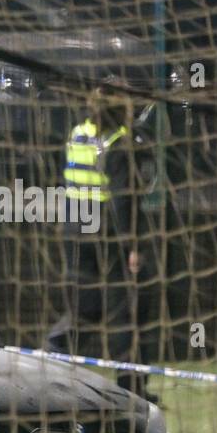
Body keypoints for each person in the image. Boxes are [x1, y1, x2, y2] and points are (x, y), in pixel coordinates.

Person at [47, 94, 161, 402]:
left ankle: (53, 354)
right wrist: (133, 246)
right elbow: (124, 201)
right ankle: (132, 387)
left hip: (75, 229)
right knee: (129, 309)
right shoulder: (120, 143)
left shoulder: (78, 133)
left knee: (85, 307)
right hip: (106, 235)